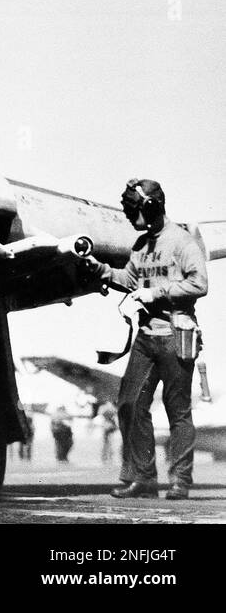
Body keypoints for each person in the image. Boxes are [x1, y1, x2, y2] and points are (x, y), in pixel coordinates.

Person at [86, 178, 208, 501]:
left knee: (177, 410)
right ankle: (144, 477)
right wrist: (97, 268)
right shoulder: (141, 246)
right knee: (128, 404)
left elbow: (199, 284)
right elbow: (128, 279)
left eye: (133, 211)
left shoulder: (182, 242)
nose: (129, 217)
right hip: (147, 336)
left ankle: (180, 481)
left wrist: (156, 292)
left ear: (151, 207)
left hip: (175, 333)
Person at [96, 399, 119, 464]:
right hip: (109, 426)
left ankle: (106, 456)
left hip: (108, 426)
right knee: (108, 442)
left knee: (108, 442)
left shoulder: (104, 407)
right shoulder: (109, 408)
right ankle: (107, 456)